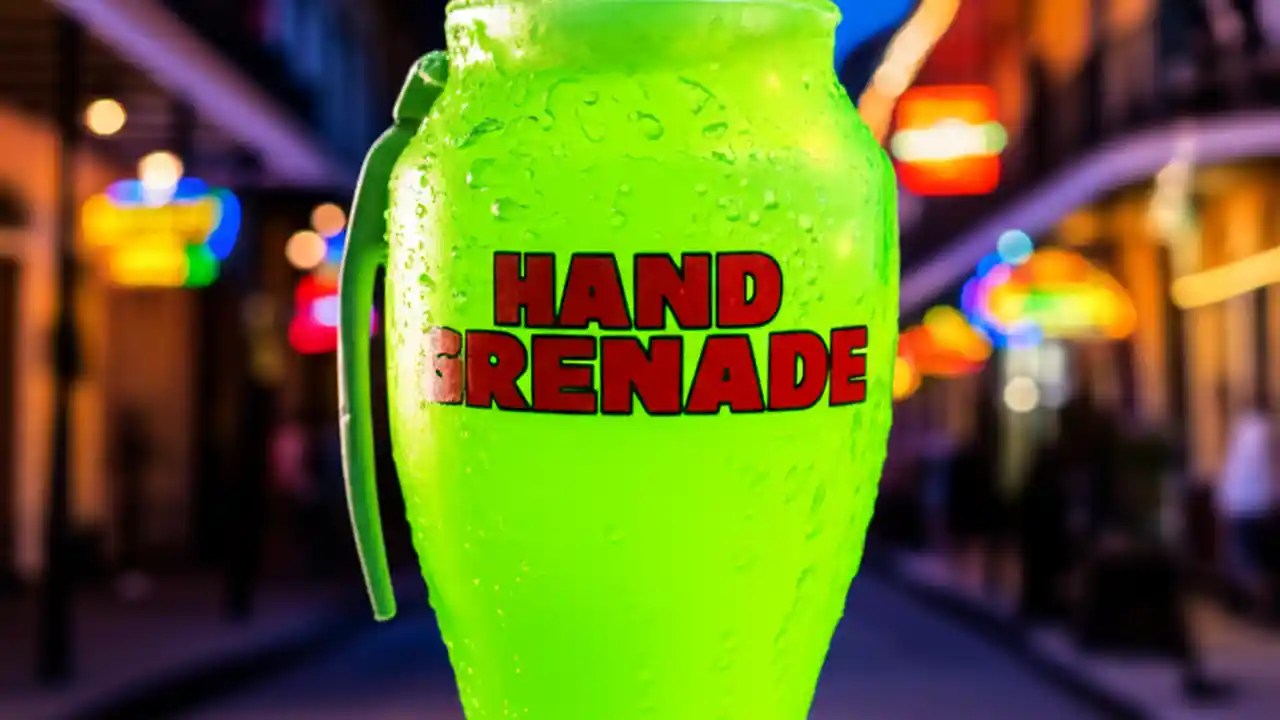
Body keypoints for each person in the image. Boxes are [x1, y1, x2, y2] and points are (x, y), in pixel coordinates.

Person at [1217, 396, 1276, 617]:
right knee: (1259, 557)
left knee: (1243, 557)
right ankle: (1262, 602)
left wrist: (1223, 502)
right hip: (1263, 504)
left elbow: (1231, 471)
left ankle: (1259, 601)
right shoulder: (1270, 432)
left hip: (1240, 504)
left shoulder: (1242, 432)